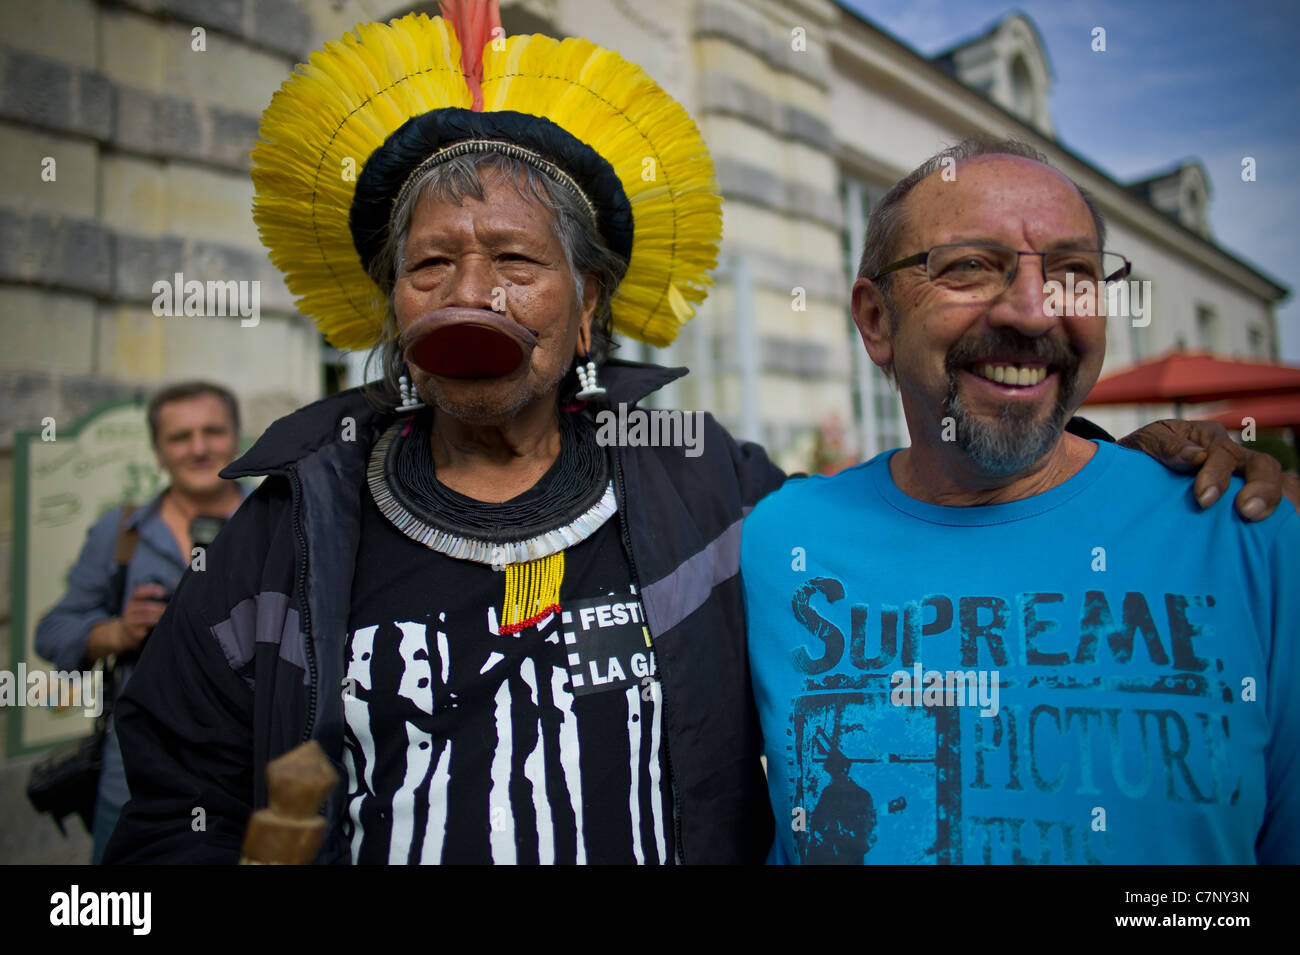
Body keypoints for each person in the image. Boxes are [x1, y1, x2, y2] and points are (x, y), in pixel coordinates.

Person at [105, 10, 1288, 866]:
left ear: (585, 316)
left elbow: (953, 495)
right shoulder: (282, 532)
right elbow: (153, 802)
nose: (472, 295)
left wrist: (1127, 460)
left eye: (516, 263)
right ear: (393, 312)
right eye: (431, 267)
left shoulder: (714, 488)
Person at [742, 137, 1300, 864]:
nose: (1035, 313)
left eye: (1073, 273)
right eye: (970, 266)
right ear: (876, 320)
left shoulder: (1245, 529)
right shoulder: (776, 541)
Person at [35, 381, 248, 863]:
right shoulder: (121, 532)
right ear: (157, 452)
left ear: (235, 438)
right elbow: (53, 629)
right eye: (179, 437)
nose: (198, 448)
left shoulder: (280, 518)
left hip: (253, 773)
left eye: (212, 432)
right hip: (134, 777)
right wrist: (118, 632)